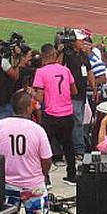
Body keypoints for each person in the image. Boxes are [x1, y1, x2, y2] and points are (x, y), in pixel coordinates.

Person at [32, 44, 77, 185]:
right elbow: (74, 91)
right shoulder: (65, 70)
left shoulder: (41, 72)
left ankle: (46, 179)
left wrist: (31, 91)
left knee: (45, 147)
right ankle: (72, 175)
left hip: (51, 114)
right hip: (67, 113)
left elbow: (39, 97)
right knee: (69, 145)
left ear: (44, 56)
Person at [61, 30, 96, 154]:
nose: (82, 42)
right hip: (72, 94)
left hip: (82, 94)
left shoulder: (83, 54)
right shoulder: (67, 55)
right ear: (73, 41)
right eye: (80, 40)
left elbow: (89, 71)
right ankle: (79, 148)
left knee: (79, 121)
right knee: (77, 122)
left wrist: (94, 87)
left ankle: (77, 146)